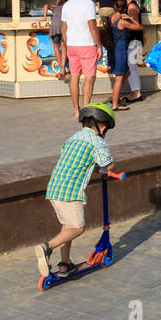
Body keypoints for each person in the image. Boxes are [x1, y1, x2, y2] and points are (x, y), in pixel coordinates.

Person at [35, 102, 117, 280]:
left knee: (67, 227)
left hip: (54, 188)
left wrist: (93, 166)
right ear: (102, 126)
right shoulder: (97, 142)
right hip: (71, 191)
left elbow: (76, 160)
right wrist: (106, 170)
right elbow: (108, 164)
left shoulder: (73, 138)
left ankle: (65, 264)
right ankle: (46, 247)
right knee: (78, 228)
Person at [62, 0, 102, 109]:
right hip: (86, 44)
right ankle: (85, 107)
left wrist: (67, 41)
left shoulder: (67, 4)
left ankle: (76, 109)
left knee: (74, 77)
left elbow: (63, 27)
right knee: (89, 77)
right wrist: (99, 45)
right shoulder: (88, 3)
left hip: (72, 44)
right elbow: (92, 26)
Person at [107, 0, 142, 111]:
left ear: (115, 6)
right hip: (120, 51)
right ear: (125, 8)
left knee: (126, 72)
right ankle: (115, 104)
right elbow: (139, 27)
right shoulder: (122, 21)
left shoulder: (110, 17)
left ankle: (115, 98)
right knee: (119, 78)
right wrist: (130, 18)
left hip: (113, 50)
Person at [123, 0, 145, 103]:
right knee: (132, 65)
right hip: (135, 40)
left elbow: (136, 25)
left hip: (134, 40)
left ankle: (136, 92)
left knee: (132, 66)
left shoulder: (131, 7)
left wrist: (125, 21)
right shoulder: (132, 5)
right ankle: (135, 91)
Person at [44, 0, 70, 78]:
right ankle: (63, 68)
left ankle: (62, 68)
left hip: (55, 28)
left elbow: (46, 5)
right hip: (64, 28)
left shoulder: (55, 8)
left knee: (56, 47)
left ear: (58, 0)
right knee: (63, 48)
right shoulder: (67, 8)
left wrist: (44, 18)